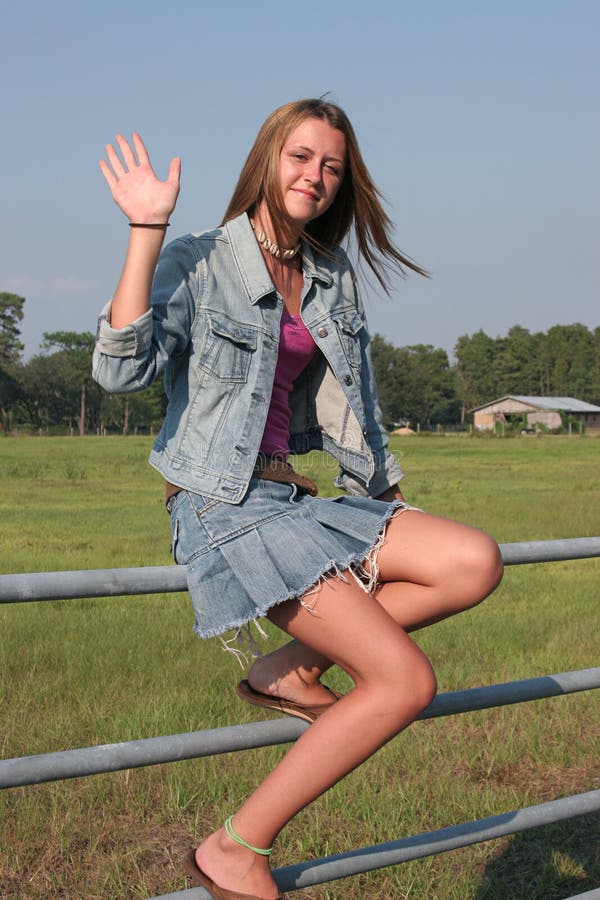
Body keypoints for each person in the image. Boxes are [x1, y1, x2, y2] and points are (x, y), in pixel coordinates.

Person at [93, 98, 503, 900]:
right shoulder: (200, 258)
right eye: (301, 157)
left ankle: (288, 668)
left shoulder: (329, 273)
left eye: (332, 166)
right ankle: (236, 847)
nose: (315, 176)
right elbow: (119, 372)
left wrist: (385, 502)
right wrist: (145, 232)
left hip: (294, 497)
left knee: (471, 561)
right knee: (403, 684)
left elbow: (360, 401)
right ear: (266, 158)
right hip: (221, 503)